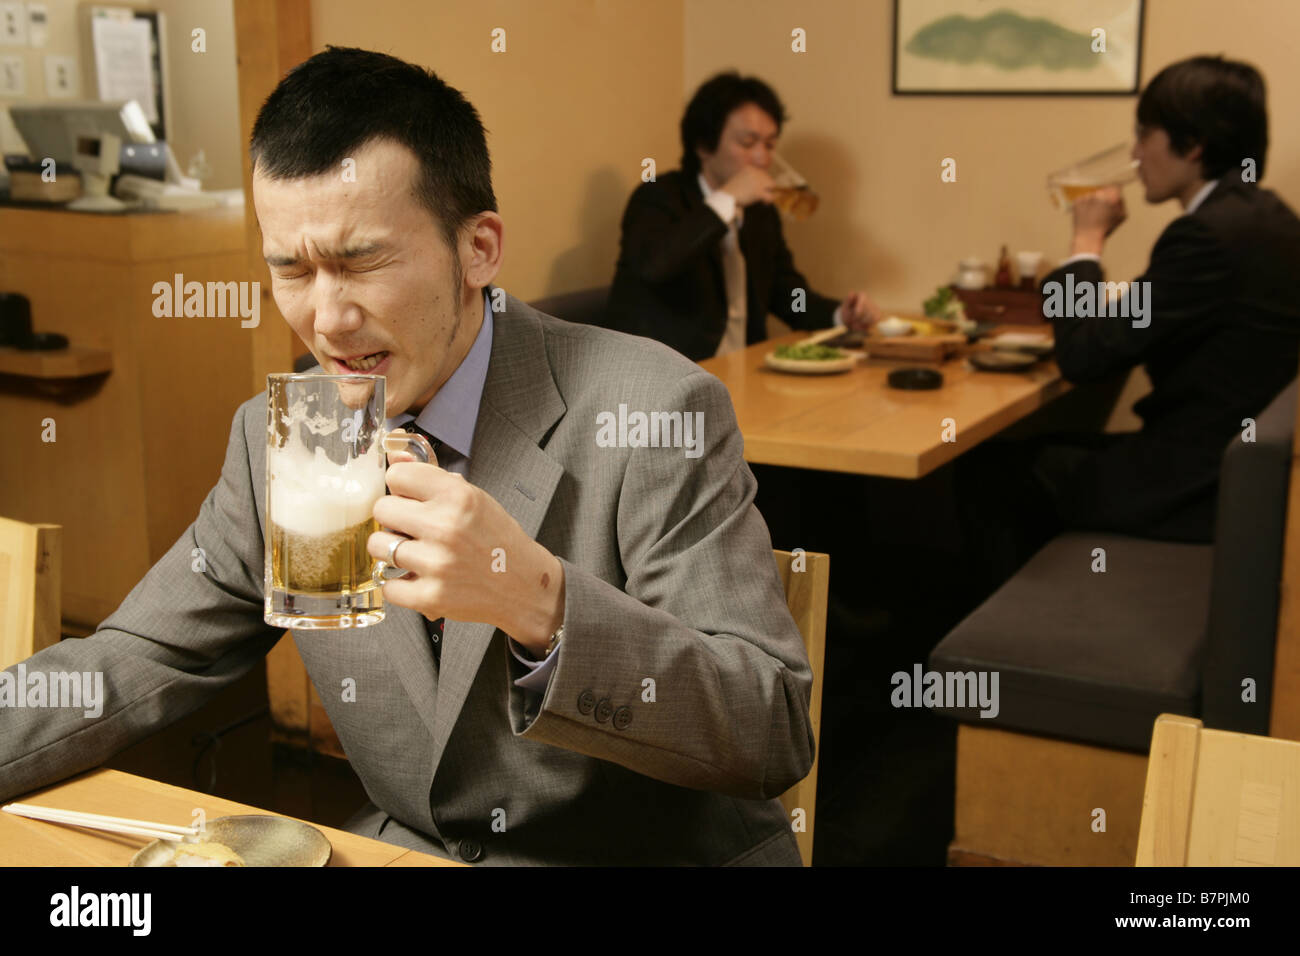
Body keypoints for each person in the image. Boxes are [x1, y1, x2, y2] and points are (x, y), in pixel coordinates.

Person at [0, 48, 814, 866]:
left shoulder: (652, 411)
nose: (327, 320)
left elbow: (769, 727)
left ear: (480, 249)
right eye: (292, 269)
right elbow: (138, 657)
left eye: (361, 262)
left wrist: (540, 601)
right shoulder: (287, 435)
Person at [1036, 55, 1300, 542]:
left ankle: (1027, 616)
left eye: (1143, 135)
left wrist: (1085, 244)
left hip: (1194, 485)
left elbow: (1082, 357)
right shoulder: (1271, 218)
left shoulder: (1205, 235)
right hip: (1235, 470)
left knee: (999, 472)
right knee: (1045, 450)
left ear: (1193, 144)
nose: (1134, 155)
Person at [608, 71, 879, 361]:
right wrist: (727, 199)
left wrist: (840, 315)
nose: (762, 159)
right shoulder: (657, 196)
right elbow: (654, 265)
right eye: (748, 143)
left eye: (770, 144)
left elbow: (788, 295)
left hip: (744, 374)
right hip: (670, 381)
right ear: (703, 145)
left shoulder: (760, 212)